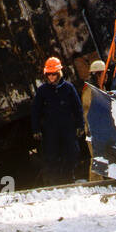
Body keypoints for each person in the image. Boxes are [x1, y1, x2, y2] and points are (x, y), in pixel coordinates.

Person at [31, 56, 84, 184]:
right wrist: (36, 129)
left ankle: (69, 177)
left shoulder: (69, 88)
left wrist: (80, 126)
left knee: (71, 152)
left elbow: (78, 108)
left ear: (59, 73)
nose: (51, 78)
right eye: (49, 75)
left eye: (54, 74)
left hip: (67, 128)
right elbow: (35, 111)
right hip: (50, 130)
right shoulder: (42, 91)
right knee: (51, 156)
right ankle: (53, 181)